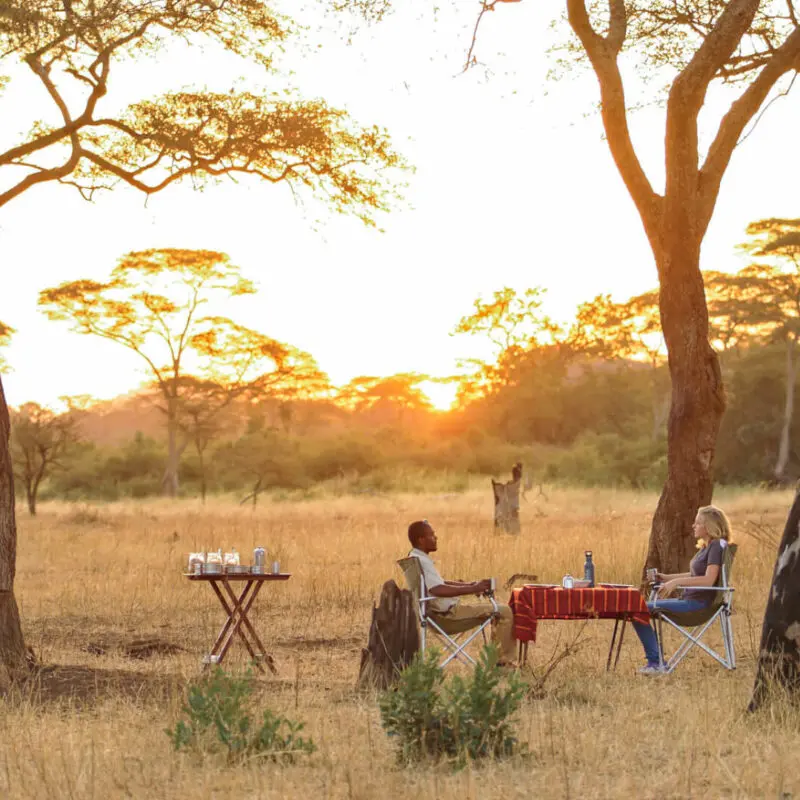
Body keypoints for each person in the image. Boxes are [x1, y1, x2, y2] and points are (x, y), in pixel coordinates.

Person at [633, 505, 732, 675]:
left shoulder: (716, 546)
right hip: (691, 601)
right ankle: (656, 661)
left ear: (708, 527)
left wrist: (677, 582)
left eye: (697, 523)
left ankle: (656, 663)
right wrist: (667, 578)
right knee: (640, 608)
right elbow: (695, 574)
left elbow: (708, 580)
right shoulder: (708, 547)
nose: (694, 526)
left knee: (637, 609)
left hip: (698, 605)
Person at [406, 519, 517, 666]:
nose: (436, 537)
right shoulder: (422, 561)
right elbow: (437, 589)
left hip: (437, 615)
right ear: (421, 540)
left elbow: (440, 583)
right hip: (447, 617)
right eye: (431, 535)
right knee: (505, 611)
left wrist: (470, 585)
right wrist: (473, 589)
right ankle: (503, 664)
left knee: (498, 611)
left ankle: (496, 660)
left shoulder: (416, 557)